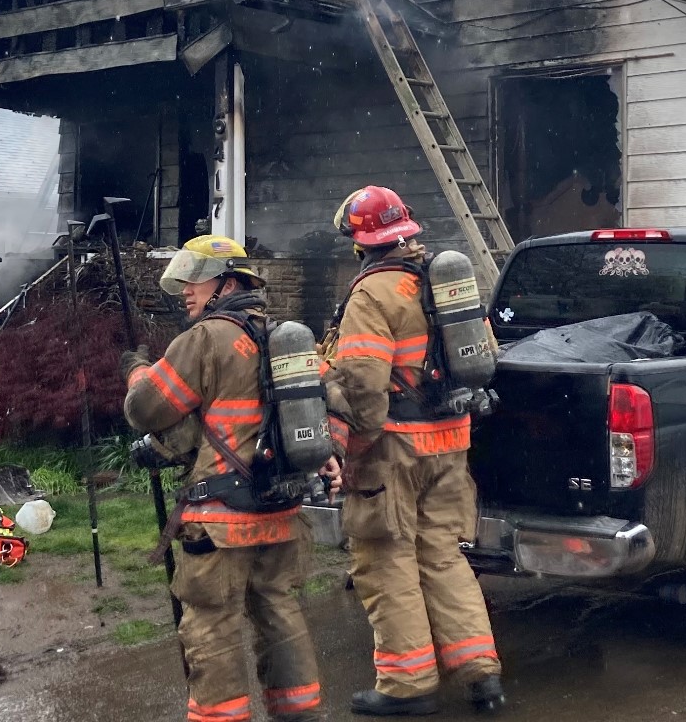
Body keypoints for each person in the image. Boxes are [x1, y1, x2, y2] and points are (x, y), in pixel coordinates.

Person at [122, 235, 326, 722]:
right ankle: (299, 714)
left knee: (212, 622)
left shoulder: (206, 338)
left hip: (220, 519)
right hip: (279, 507)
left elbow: (146, 409)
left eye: (195, 279)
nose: (185, 291)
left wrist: (137, 374)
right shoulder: (280, 336)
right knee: (278, 609)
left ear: (226, 283)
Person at [324, 186, 504, 716]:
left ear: (361, 243)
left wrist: (347, 450)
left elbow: (361, 384)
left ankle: (408, 685)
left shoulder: (373, 294)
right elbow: (485, 354)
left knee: (386, 559)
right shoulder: (445, 281)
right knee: (443, 557)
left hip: (393, 451)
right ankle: (482, 674)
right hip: (450, 444)